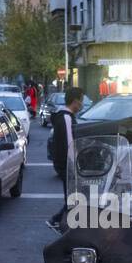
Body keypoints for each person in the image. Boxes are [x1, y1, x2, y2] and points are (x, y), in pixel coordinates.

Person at [48, 87, 84, 231]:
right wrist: (76, 165)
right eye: (81, 101)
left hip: (64, 164)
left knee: (73, 197)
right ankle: (58, 221)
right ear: (75, 102)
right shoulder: (66, 118)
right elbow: (70, 144)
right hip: (68, 165)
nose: (81, 105)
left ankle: (60, 221)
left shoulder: (62, 116)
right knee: (73, 197)